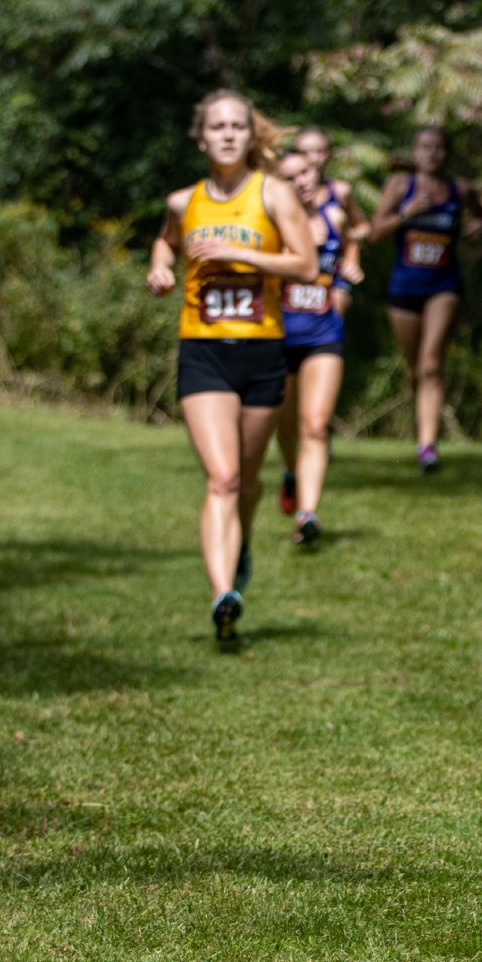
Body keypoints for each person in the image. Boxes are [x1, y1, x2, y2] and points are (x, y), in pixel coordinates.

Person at [145, 89, 318, 647]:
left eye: (237, 127)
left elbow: (306, 265)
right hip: (203, 351)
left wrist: (239, 254)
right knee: (221, 478)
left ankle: (239, 546)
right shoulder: (183, 202)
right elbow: (165, 243)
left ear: (250, 136)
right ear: (201, 137)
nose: (226, 135)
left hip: (262, 352)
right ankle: (223, 592)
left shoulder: (274, 195)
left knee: (244, 479)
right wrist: (160, 270)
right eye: (216, 127)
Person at [369, 127, 482, 473]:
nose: (432, 153)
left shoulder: (459, 190)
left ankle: (427, 446)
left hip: (444, 286)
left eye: (439, 147)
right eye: (426, 147)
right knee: (415, 370)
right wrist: (407, 212)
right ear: (415, 151)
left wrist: (481, 227)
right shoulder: (400, 186)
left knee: (431, 363)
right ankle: (421, 426)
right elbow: (375, 232)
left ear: (447, 153)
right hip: (404, 288)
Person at [272, 149, 348, 547]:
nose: (300, 181)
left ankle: (308, 513)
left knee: (315, 426)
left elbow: (350, 248)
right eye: (289, 177)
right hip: (278, 338)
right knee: (285, 429)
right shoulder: (270, 225)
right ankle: (292, 473)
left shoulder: (335, 218)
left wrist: (346, 281)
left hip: (324, 335)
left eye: (304, 173)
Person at [293, 126, 368, 316]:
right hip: (294, 279)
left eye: (320, 151)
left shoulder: (339, 191)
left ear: (329, 154)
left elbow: (360, 228)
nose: (313, 158)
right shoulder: (281, 194)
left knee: (335, 308)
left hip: (331, 277)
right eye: (305, 152)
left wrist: (351, 260)